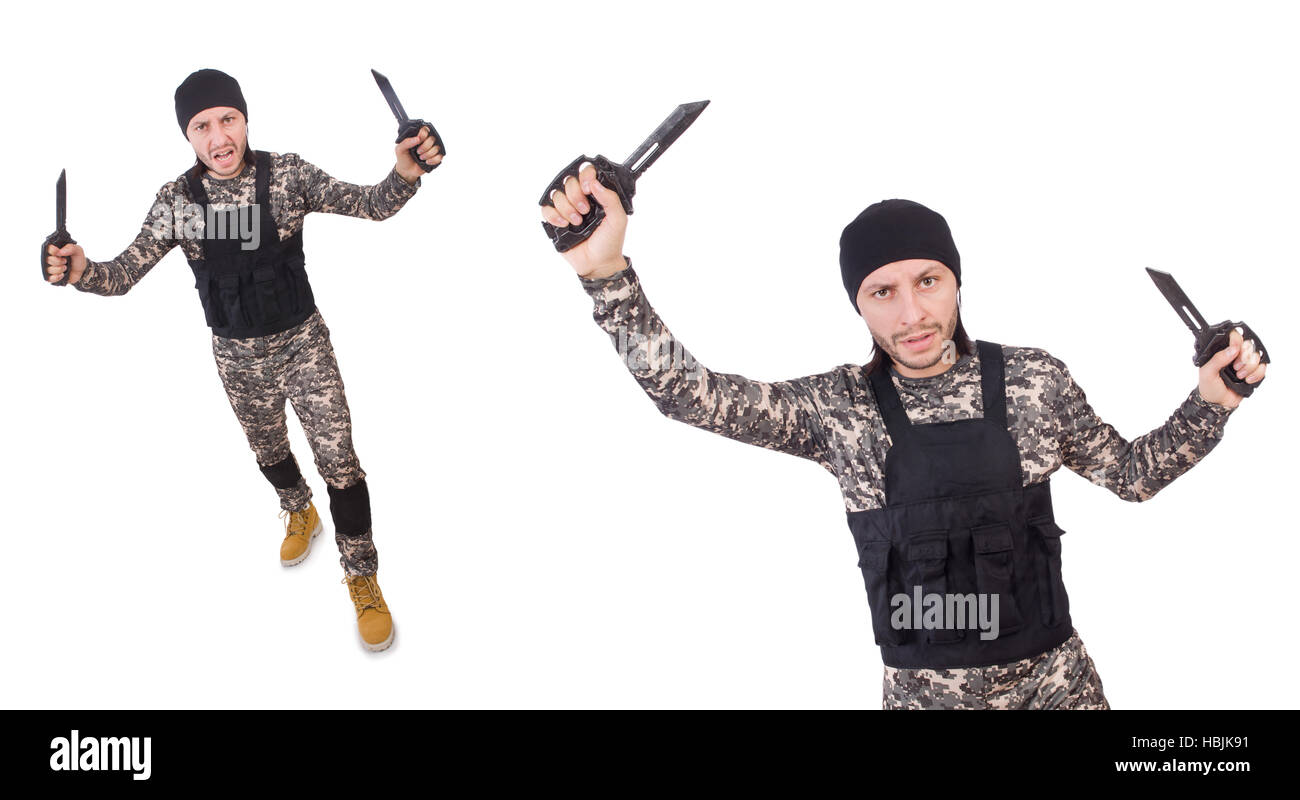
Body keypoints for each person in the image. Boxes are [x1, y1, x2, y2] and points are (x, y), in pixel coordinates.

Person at [540, 164, 1266, 708]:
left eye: (929, 281)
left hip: (1060, 692)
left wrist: (1212, 402)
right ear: (858, 304)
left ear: (956, 280)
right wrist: (607, 277)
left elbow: (1134, 475)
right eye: (882, 292)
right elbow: (687, 395)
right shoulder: (839, 409)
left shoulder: (1035, 382)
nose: (912, 313)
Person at [42, 68, 443, 652]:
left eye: (228, 118)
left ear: (245, 119)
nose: (218, 135)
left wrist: (407, 173)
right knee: (269, 451)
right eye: (202, 125)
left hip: (303, 345)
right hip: (236, 358)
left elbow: (373, 204)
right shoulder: (178, 203)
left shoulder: (286, 176)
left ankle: (362, 577)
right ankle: (297, 509)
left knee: (343, 464)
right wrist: (77, 271)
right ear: (188, 136)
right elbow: (122, 274)